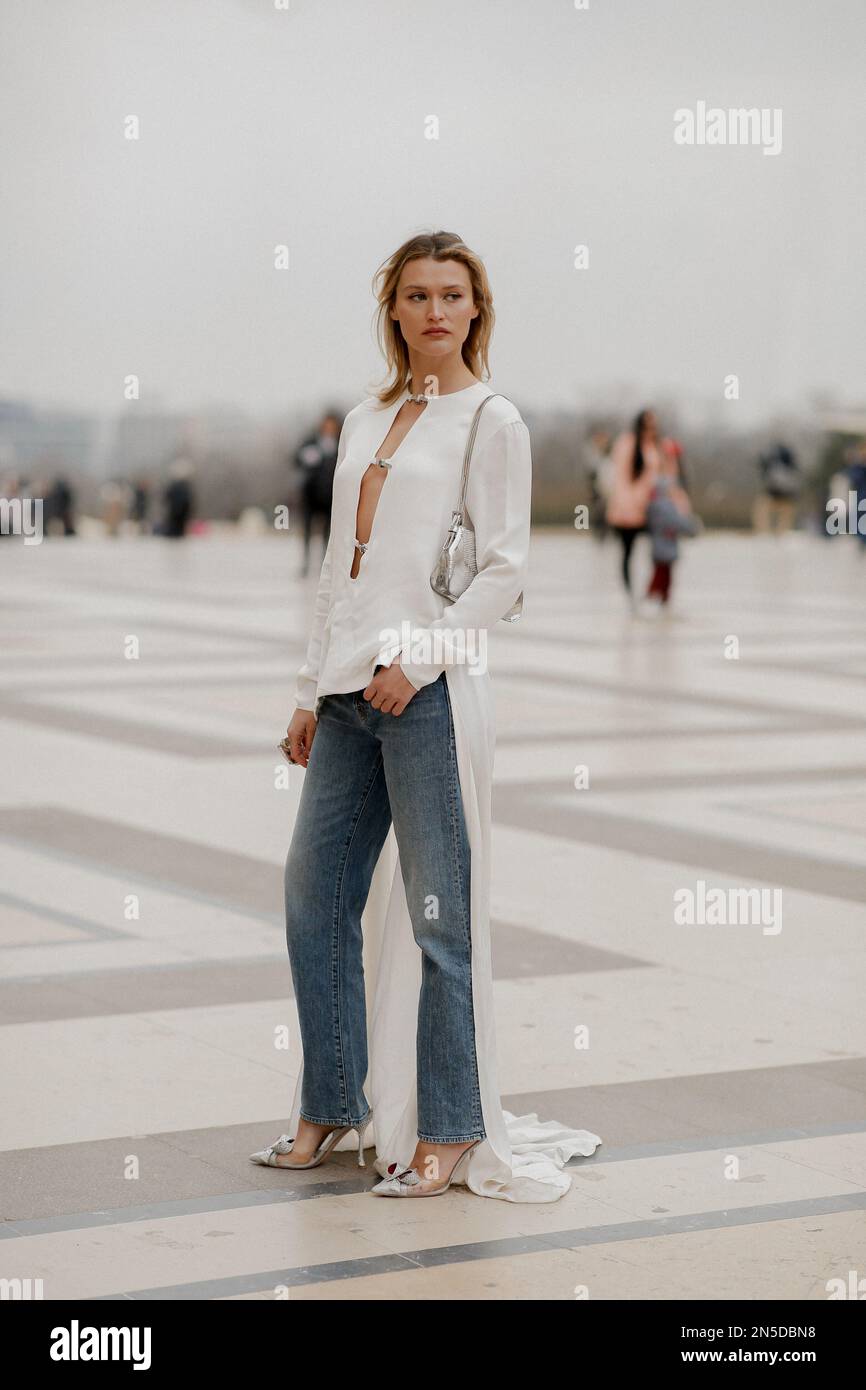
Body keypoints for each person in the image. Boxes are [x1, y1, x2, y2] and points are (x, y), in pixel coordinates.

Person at [251, 230, 601, 1201]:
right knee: (312, 896)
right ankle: (330, 1103)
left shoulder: (492, 421)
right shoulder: (366, 417)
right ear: (393, 310)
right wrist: (306, 686)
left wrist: (421, 658)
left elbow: (505, 575)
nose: (434, 310)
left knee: (440, 916)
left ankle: (449, 1128)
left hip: (428, 695)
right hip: (346, 696)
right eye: (416, 295)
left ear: (475, 310)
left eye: (452, 294)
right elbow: (339, 566)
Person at [605, 408, 667, 606]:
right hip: (628, 509)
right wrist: (625, 505)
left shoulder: (654, 446)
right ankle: (630, 595)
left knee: (659, 550)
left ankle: (654, 591)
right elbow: (619, 478)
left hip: (651, 507)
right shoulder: (627, 444)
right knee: (628, 552)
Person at [293, 412, 342, 576]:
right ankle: (306, 564)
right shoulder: (311, 441)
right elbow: (295, 459)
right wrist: (307, 457)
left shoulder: (341, 442)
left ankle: (324, 565)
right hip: (311, 495)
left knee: (327, 533)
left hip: (330, 495)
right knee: (307, 530)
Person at [644, 474, 701, 611]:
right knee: (664, 578)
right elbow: (677, 523)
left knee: (659, 575)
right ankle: (657, 601)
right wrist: (693, 528)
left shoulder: (652, 506)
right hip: (667, 549)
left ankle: (656, 600)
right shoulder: (666, 506)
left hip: (657, 548)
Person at [753, 441, 801, 534]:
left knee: (781, 514)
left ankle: (777, 533)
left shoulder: (782, 470)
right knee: (762, 511)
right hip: (774, 496)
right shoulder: (776, 468)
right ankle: (767, 532)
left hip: (783, 497)